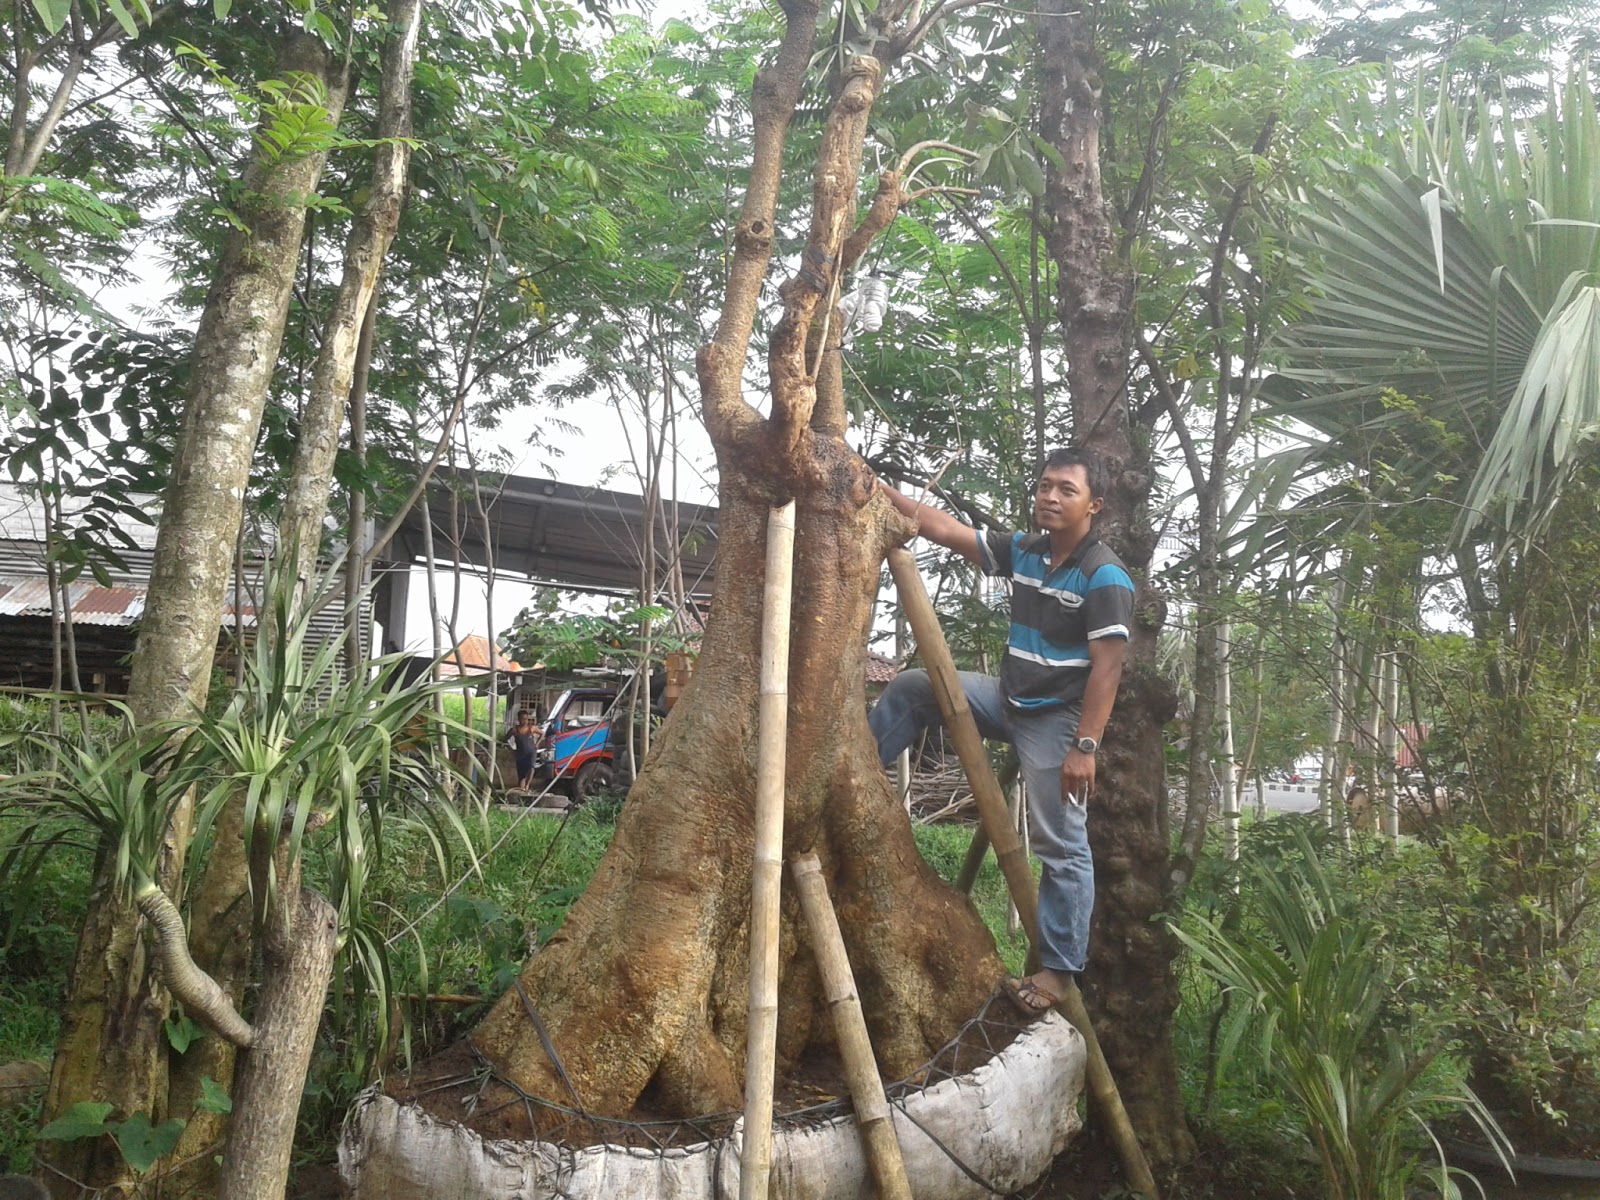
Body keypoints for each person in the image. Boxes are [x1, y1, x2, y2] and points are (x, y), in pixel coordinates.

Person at [871, 446, 1134, 1016]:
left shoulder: (1104, 574)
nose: (1051, 496)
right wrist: (874, 488)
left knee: (1061, 845)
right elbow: (944, 528)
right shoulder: (1029, 550)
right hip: (1008, 699)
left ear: (1095, 504)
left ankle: (1059, 971)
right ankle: (856, 771)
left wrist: (1084, 746)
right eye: (1045, 485)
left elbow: (1108, 669)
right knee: (916, 686)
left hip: (1058, 722)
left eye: (1067, 489)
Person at [509, 709, 541, 792]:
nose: (525, 721)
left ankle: (527, 786)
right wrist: (511, 749)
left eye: (526, 719)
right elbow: (505, 739)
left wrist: (537, 744)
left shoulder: (532, 728)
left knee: (532, 767)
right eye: (523, 719)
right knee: (521, 774)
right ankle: (522, 790)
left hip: (531, 752)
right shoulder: (514, 730)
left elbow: (542, 734)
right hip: (520, 754)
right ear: (519, 719)